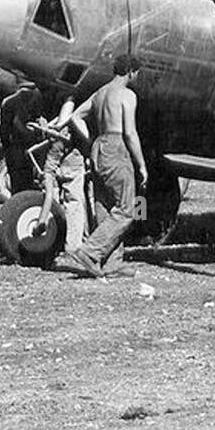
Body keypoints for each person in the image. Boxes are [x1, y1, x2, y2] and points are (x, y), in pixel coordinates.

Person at [64, 54, 147, 278]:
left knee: (105, 205)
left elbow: (76, 116)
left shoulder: (100, 93)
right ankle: (90, 252)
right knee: (126, 210)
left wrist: (91, 140)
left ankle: (112, 263)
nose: (137, 77)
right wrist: (141, 165)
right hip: (116, 145)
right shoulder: (127, 95)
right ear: (131, 72)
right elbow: (130, 132)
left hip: (99, 146)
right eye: (137, 73)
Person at [43, 92, 91, 254]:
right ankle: (73, 245)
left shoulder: (62, 100)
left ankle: (53, 240)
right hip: (73, 158)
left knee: (57, 199)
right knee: (75, 202)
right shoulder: (82, 106)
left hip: (60, 157)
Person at [0, 81, 45, 195]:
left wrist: (6, 147)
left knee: (17, 180)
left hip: (14, 147)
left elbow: (3, 129)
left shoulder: (8, 101)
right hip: (31, 146)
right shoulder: (37, 98)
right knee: (32, 179)